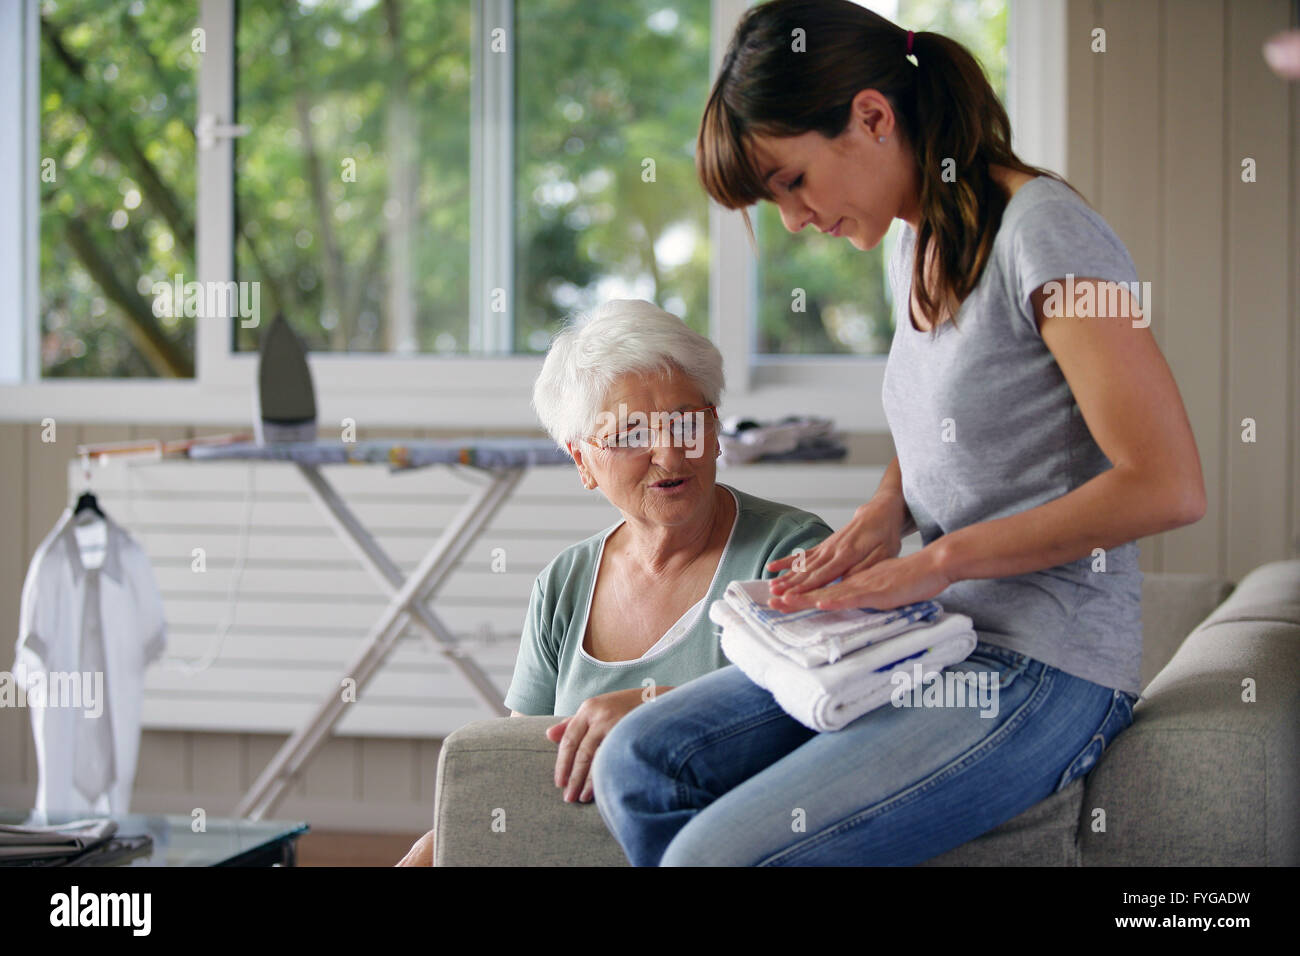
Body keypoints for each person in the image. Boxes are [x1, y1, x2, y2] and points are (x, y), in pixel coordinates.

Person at [592, 0, 1206, 866]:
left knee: (712, 858)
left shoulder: (1047, 233)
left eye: (791, 181)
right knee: (641, 764)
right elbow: (951, 421)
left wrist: (935, 560)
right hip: (930, 634)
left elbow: (1167, 482)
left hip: (1044, 667)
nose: (795, 220)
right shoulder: (910, 243)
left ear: (872, 117)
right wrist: (883, 517)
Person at [395, 298, 832, 865]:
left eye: (685, 423)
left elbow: (828, 730)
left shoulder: (791, 553)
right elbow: (523, 765)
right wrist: (442, 842)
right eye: (630, 434)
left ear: (716, 428)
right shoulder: (565, 583)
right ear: (582, 461)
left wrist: (662, 720)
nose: (670, 453)